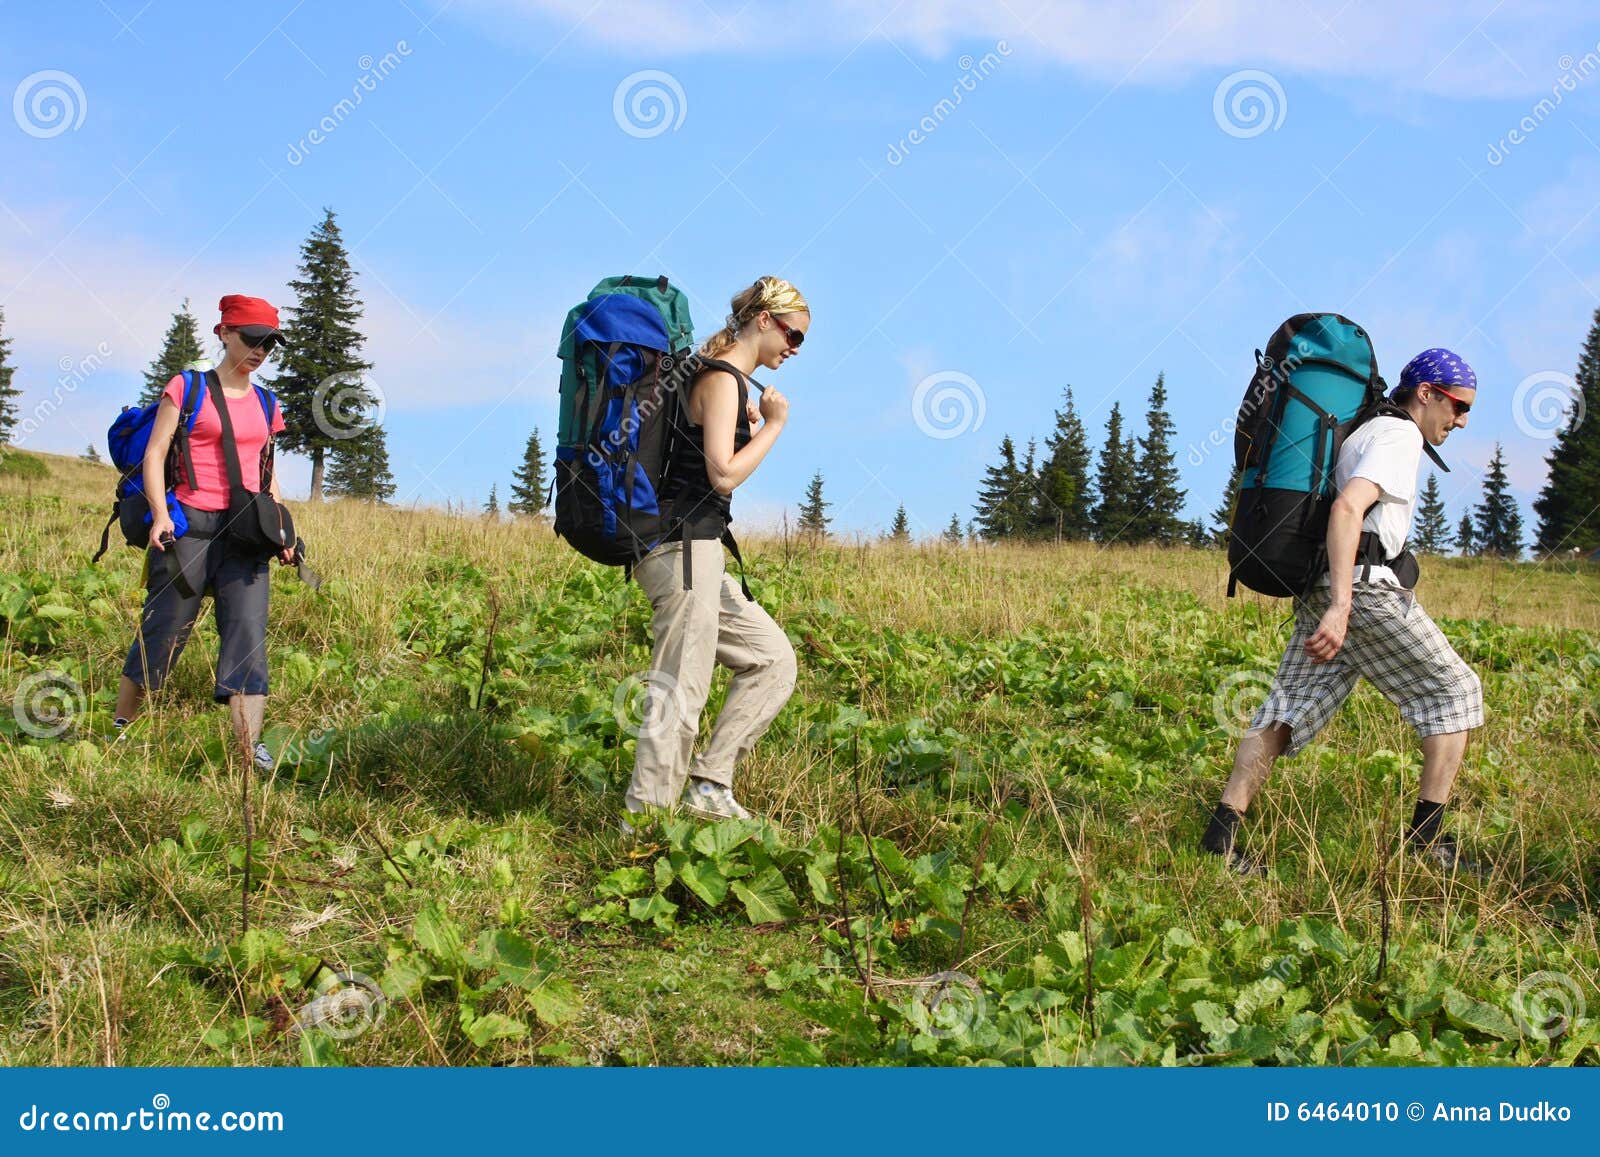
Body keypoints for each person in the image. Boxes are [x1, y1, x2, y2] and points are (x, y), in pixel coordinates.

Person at [1200, 348, 1486, 875]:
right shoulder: (1399, 436)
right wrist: (1341, 607)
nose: (1462, 420)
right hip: (1360, 593)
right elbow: (1349, 507)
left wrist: (1332, 601)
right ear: (1427, 393)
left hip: (1323, 584)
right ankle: (1427, 843)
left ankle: (1221, 834)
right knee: (1457, 690)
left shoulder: (1364, 430)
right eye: (1459, 406)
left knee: (1285, 710)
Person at [624, 276, 807, 823]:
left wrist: (747, 425)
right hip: (681, 549)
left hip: (696, 550)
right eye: (793, 335)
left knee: (773, 660)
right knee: (681, 686)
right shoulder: (723, 377)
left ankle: (709, 783)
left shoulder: (720, 375)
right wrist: (773, 427)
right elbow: (722, 475)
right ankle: (644, 822)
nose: (795, 349)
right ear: (764, 319)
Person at [114, 295, 295, 770]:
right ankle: (121, 728)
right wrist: (160, 516)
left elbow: (266, 472)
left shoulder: (267, 403)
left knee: (247, 634)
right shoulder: (187, 387)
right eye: (252, 339)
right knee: (165, 629)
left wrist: (282, 528)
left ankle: (248, 752)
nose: (260, 351)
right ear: (224, 333)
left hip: (247, 533)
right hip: (188, 525)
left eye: (269, 344)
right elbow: (155, 454)